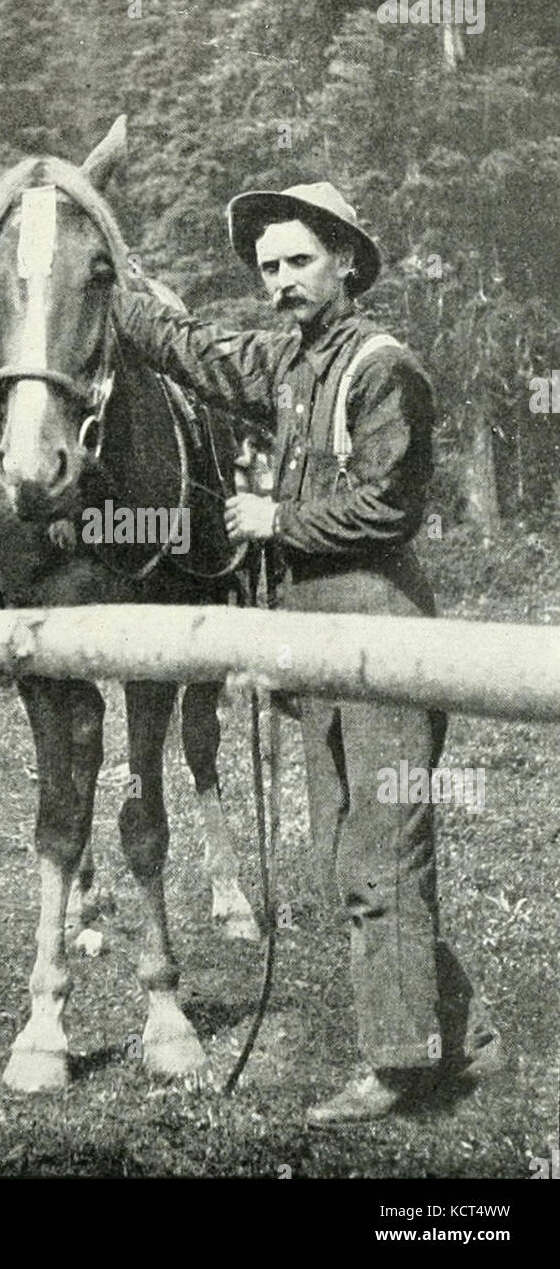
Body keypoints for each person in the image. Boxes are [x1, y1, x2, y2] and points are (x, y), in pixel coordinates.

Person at [111, 180, 499, 1124]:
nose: (280, 281)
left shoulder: (381, 368)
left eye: (298, 262)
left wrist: (275, 517)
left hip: (382, 636)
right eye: (268, 267)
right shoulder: (288, 362)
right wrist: (106, 273)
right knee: (347, 851)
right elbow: (193, 350)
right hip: (316, 641)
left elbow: (388, 505)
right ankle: (468, 1037)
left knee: (381, 854)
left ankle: (401, 1069)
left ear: (347, 265)